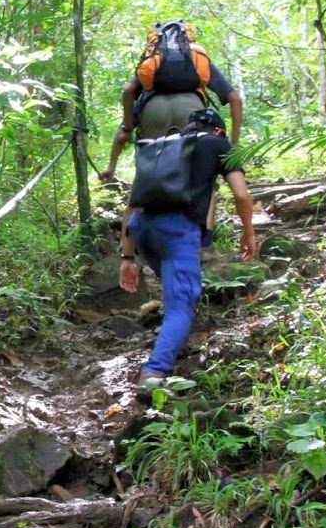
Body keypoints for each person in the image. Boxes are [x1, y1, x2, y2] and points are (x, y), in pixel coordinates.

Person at [118, 108, 257, 395]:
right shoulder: (219, 144)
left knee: (176, 293)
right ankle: (154, 373)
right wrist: (248, 231)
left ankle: (173, 335)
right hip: (177, 230)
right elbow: (242, 194)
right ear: (219, 130)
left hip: (142, 228)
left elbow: (131, 206)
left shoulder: (163, 148)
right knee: (182, 305)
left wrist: (127, 258)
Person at [99, 22, 244, 181]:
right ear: (188, 38)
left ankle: (145, 199)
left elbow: (128, 91)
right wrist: (233, 149)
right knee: (199, 182)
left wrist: (126, 129)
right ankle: (205, 200)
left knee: (150, 180)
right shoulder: (197, 60)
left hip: (153, 113)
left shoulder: (153, 62)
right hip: (192, 114)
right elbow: (235, 99)